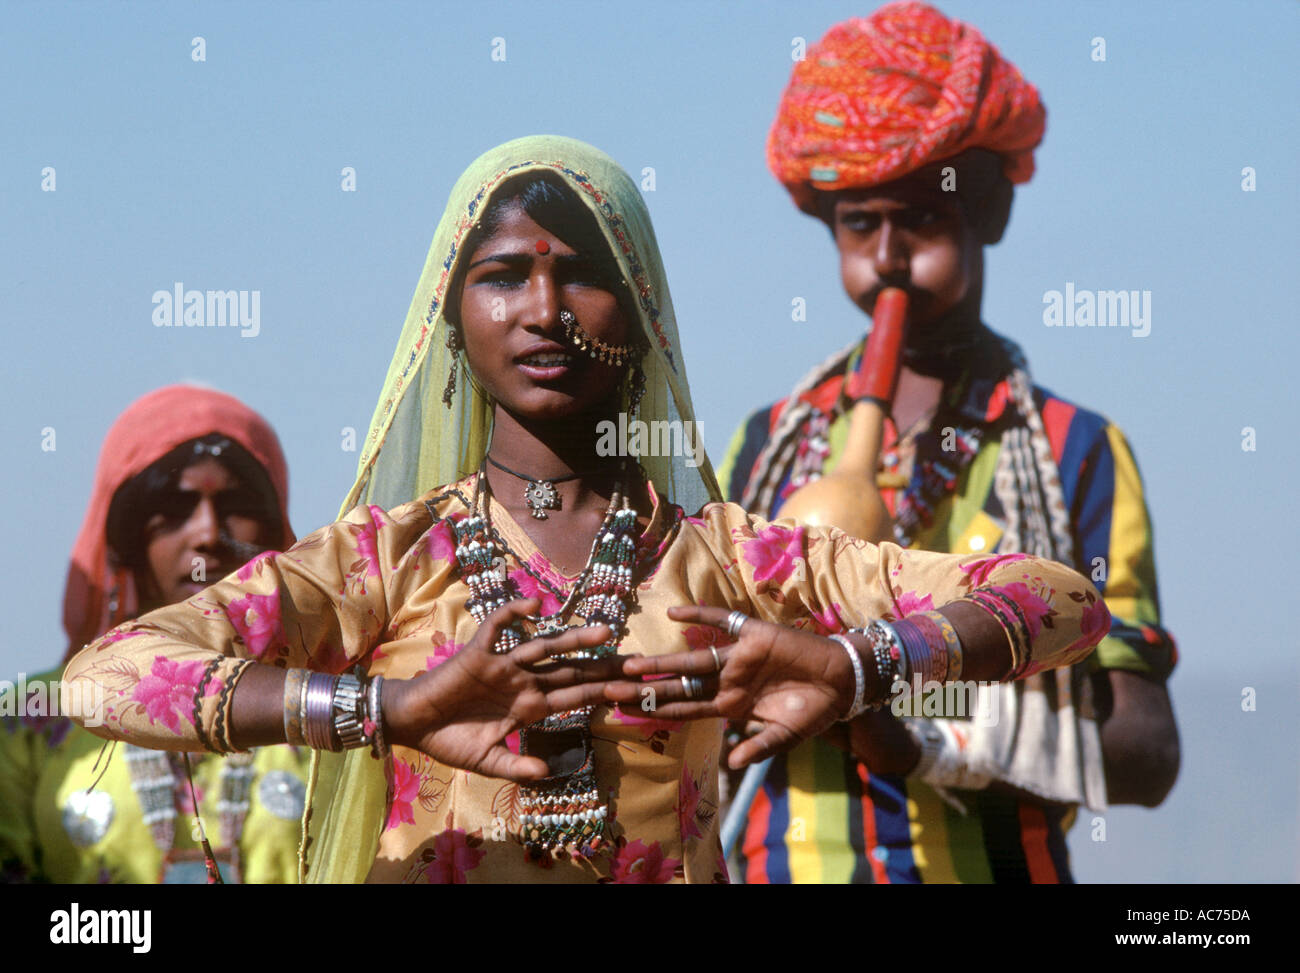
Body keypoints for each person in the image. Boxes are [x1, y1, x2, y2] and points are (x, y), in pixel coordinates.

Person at [63, 136, 1111, 884]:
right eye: (503, 276)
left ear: (644, 308)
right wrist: (385, 712)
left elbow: (1062, 600)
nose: (544, 311)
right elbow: (101, 680)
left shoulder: (734, 559)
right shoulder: (382, 560)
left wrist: (852, 666)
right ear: (454, 317)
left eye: (583, 278)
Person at [718, 2, 1179, 883]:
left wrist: (919, 725)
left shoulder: (1075, 448)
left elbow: (1147, 753)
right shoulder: (762, 446)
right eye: (859, 224)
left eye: (921, 219)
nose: (887, 257)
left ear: (991, 212)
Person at [0, 385, 312, 883]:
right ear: (125, 540)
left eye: (236, 504)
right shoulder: (32, 722)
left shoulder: (325, 709)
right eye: (174, 506)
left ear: (274, 535)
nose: (207, 532)